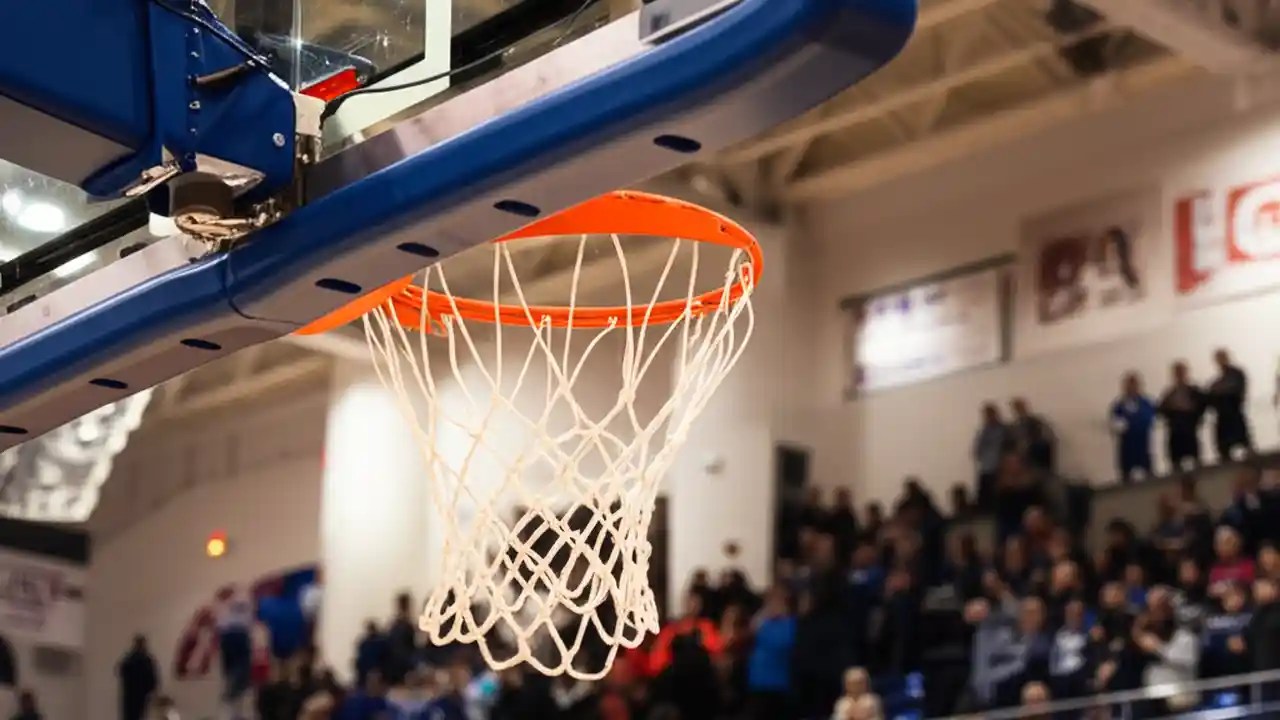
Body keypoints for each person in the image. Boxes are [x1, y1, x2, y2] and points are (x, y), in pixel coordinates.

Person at [746, 586, 796, 720]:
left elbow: (783, 644)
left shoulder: (791, 624)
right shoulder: (762, 622)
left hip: (779, 684)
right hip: (758, 682)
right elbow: (751, 634)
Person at [1158, 361, 1206, 470]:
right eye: (1177, 372)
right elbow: (1161, 410)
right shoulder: (1169, 394)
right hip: (1176, 429)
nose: (1179, 375)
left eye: (1181, 372)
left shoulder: (1194, 390)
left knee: (1195, 457)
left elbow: (1203, 405)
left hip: (1190, 427)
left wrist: (1193, 414)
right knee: (1176, 461)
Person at [1110, 372, 1156, 482]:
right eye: (1128, 385)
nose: (1131, 387)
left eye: (1134, 384)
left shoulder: (1146, 403)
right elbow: (1115, 423)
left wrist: (1131, 424)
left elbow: (1148, 419)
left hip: (1142, 444)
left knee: (1148, 474)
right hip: (1127, 446)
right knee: (1125, 475)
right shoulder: (1119, 405)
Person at [1207, 349, 1252, 461]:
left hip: (1233, 410)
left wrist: (1223, 392)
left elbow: (1239, 390)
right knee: (1223, 442)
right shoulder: (1217, 381)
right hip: (1223, 414)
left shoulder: (1236, 373)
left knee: (1242, 438)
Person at [972, 403, 1008, 510]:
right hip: (986, 469)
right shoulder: (983, 431)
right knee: (985, 499)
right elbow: (977, 450)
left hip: (1000, 468)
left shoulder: (1004, 430)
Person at [1009, 398, 1056, 472]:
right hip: (1022, 458)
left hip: (1036, 455)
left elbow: (1048, 437)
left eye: (1020, 407)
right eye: (1016, 408)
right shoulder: (1014, 426)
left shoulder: (1035, 422)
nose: (1018, 410)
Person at [119, 634, 159, 720]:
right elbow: (152, 680)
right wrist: (151, 691)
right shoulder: (147, 660)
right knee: (140, 716)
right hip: (141, 696)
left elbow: (122, 673)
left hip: (129, 696)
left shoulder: (128, 660)